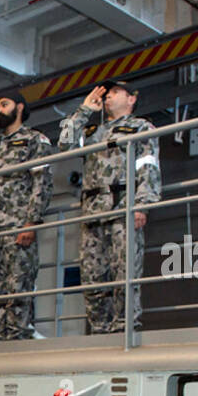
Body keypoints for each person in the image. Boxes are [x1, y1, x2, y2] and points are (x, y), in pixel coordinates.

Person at [57, 79, 161, 334]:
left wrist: (142, 205)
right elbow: (64, 143)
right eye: (106, 94)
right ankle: (99, 330)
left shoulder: (141, 127)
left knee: (124, 274)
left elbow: (148, 167)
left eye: (115, 92)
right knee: (92, 278)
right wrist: (84, 110)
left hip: (122, 208)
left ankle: (125, 330)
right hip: (92, 213)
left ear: (131, 98)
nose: (108, 97)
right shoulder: (92, 132)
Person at [0, 93, 54, 340]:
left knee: (18, 288)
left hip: (17, 225)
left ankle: (17, 342)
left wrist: (31, 222)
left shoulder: (34, 140)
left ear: (20, 107)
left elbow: (42, 182)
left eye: (4, 105)